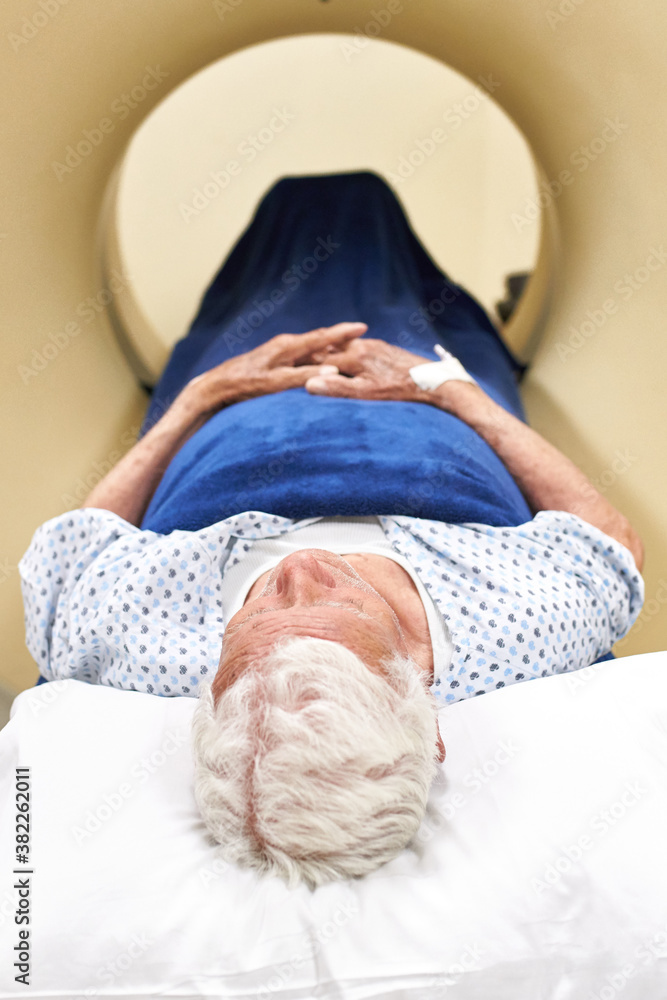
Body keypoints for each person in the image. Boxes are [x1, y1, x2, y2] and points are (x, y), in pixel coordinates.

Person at [19, 172, 644, 890]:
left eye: (252, 617)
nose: (298, 567)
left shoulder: (142, 651)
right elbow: (609, 541)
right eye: (338, 607)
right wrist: (445, 389)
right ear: (425, 710)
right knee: (375, 237)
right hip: (422, 431)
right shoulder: (515, 631)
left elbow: (77, 547)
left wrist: (205, 393)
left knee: (266, 274)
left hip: (232, 437)